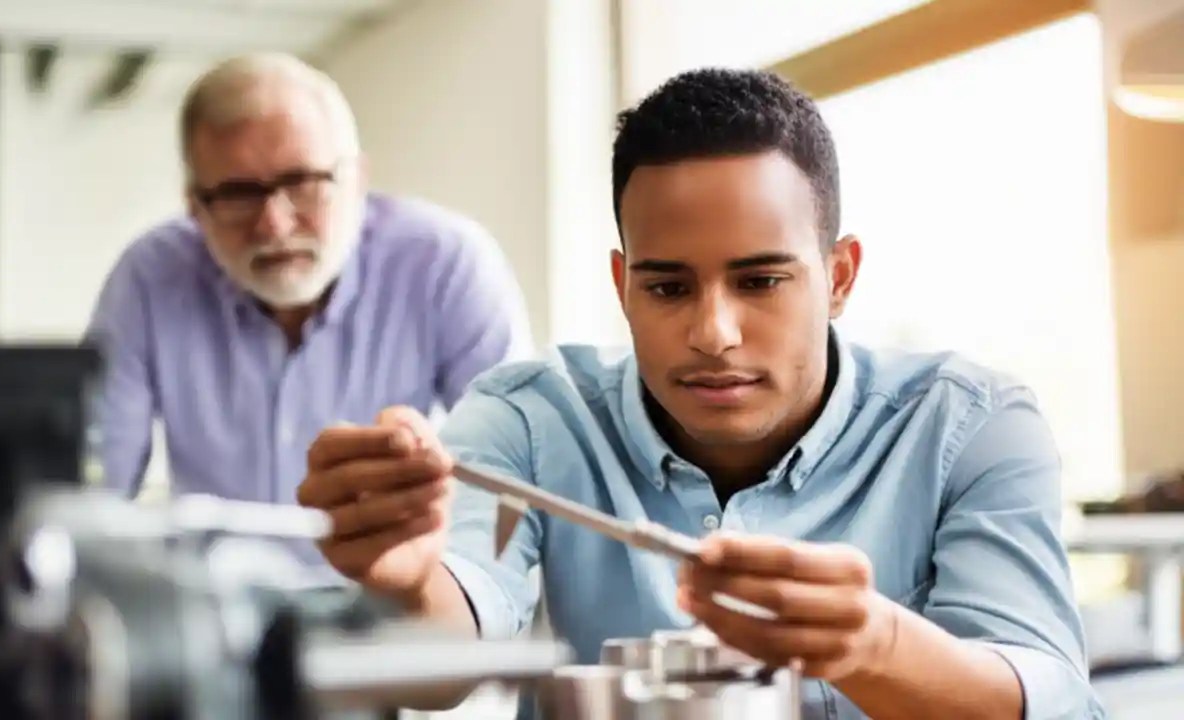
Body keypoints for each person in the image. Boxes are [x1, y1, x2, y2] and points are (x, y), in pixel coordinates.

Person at [298, 68, 1102, 718]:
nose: (713, 332)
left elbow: (1045, 698)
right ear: (623, 286)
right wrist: (404, 582)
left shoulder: (971, 425)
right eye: (668, 288)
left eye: (760, 281)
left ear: (840, 277)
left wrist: (875, 645)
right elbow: (441, 670)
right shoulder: (531, 418)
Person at [86, 54, 532, 572]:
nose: (274, 224)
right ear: (195, 205)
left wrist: (457, 601)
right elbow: (96, 491)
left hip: (396, 607)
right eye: (236, 194)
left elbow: (515, 477)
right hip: (220, 615)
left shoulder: (446, 263)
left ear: (357, 179)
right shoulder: (147, 279)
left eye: (302, 182)